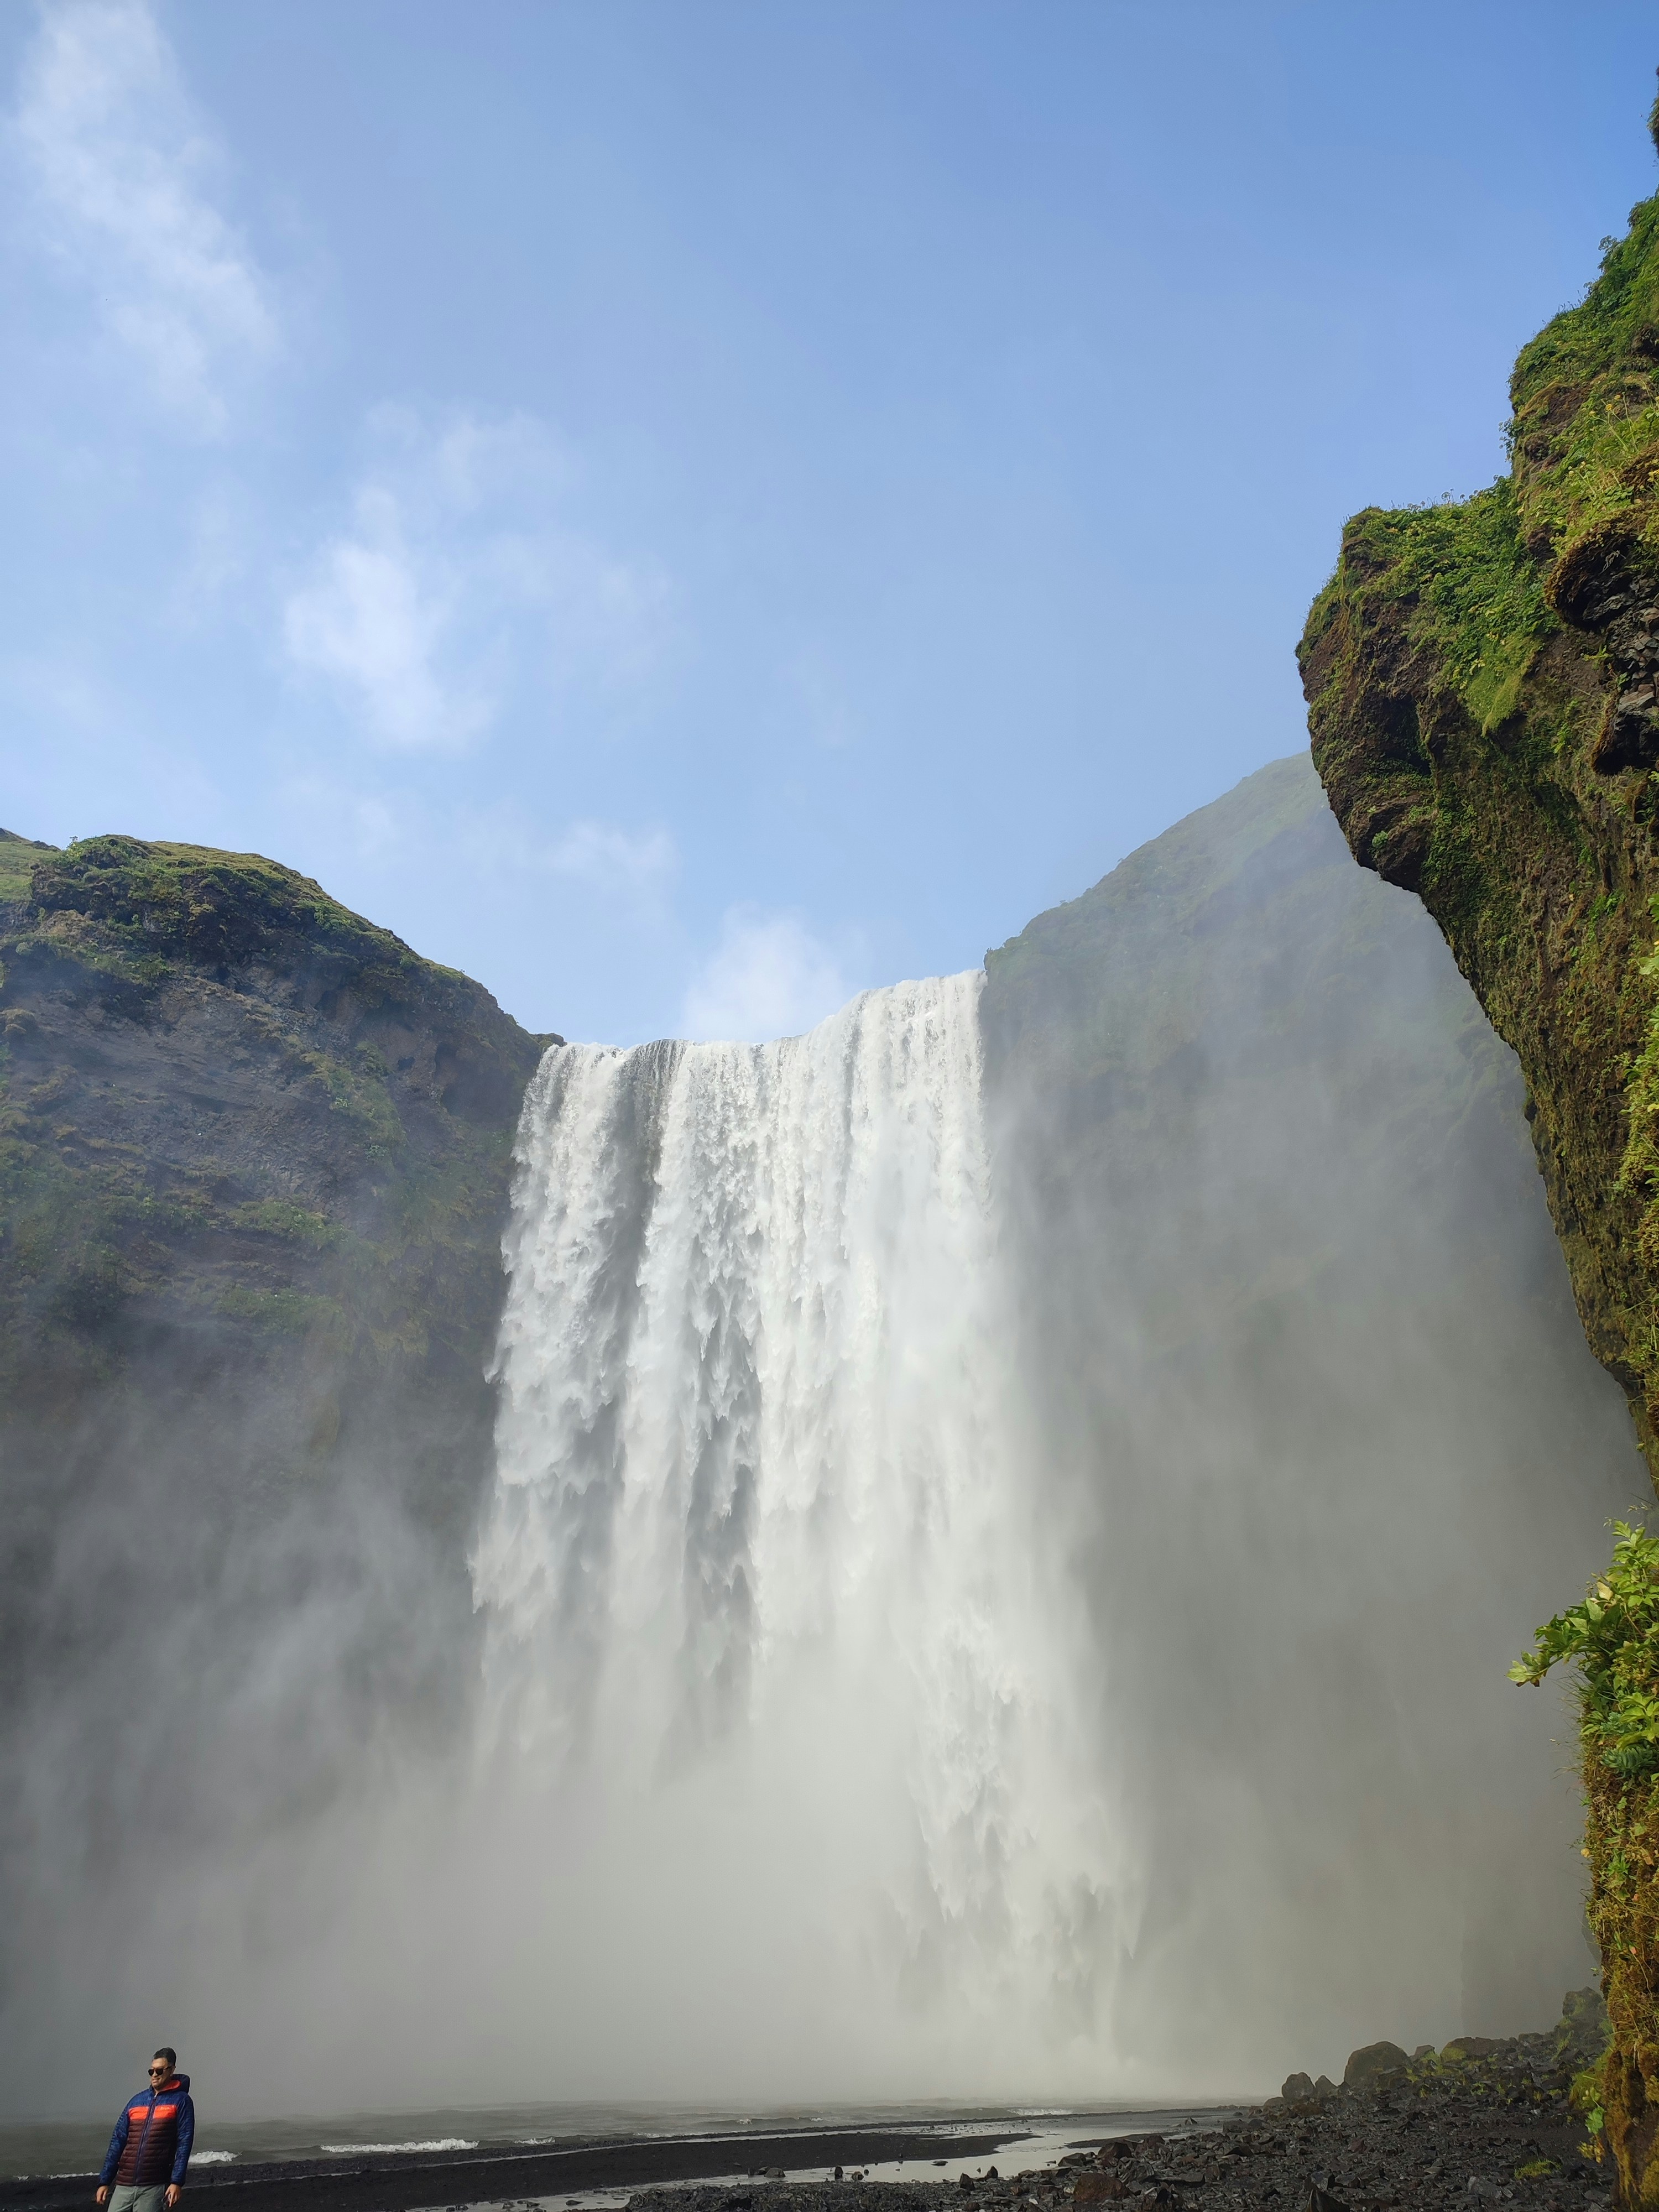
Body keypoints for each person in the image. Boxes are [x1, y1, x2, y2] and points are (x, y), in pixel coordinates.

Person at [95, 2049, 195, 2212]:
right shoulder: (136, 2101)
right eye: (151, 2071)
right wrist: (104, 2181)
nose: (154, 2075)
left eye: (159, 2071)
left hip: (154, 2186)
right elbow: (118, 2141)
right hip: (124, 2184)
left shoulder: (182, 2101)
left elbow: (185, 2142)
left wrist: (176, 2182)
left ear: (172, 2070)